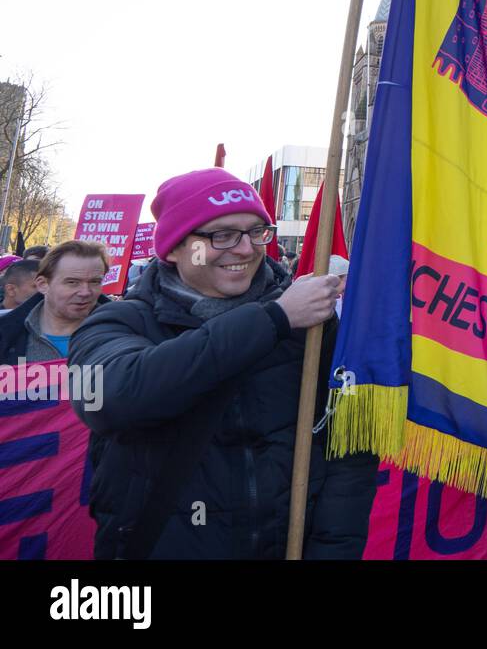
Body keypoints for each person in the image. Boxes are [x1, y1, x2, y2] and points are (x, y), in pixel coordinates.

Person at [69, 168, 377, 559]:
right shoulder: (117, 321)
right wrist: (273, 319)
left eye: (256, 232)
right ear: (175, 248)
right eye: (221, 235)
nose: (246, 249)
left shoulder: (311, 324)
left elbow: (351, 448)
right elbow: (107, 399)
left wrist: (332, 550)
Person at [0, 241, 110, 364]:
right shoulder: (5, 332)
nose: (85, 292)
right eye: (72, 282)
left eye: (95, 282)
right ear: (43, 285)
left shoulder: (123, 331)